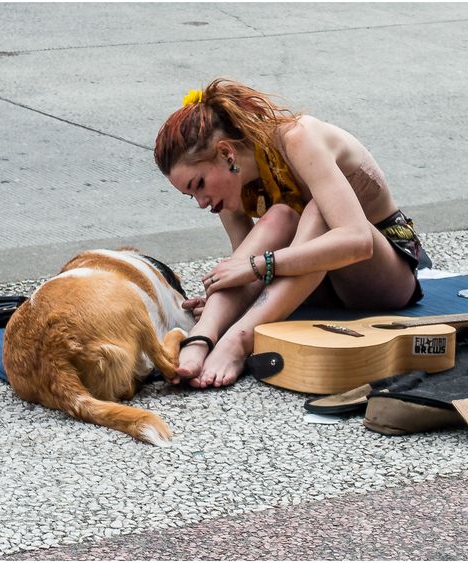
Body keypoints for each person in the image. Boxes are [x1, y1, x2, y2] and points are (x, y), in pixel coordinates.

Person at [154, 78, 430, 389]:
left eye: (199, 185)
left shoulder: (300, 137)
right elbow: (244, 270)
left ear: (226, 154)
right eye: (191, 196)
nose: (202, 203)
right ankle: (202, 337)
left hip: (379, 274)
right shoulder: (230, 188)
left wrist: (259, 266)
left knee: (317, 212)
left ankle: (239, 341)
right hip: (314, 281)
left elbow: (356, 241)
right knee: (280, 216)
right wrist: (228, 300)